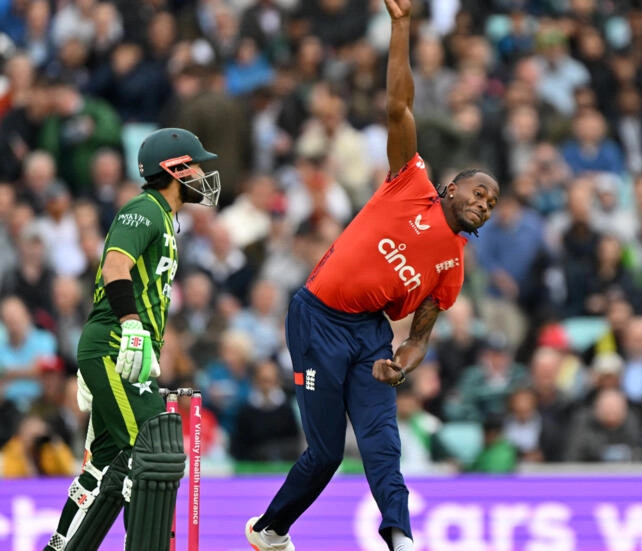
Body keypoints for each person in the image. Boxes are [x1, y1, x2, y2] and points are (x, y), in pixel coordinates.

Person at [244, 1, 500, 550]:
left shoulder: (452, 267)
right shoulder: (410, 181)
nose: (485, 203)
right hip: (316, 319)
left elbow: (422, 335)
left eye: (493, 203)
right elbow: (397, 104)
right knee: (327, 454)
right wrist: (402, 25)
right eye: (480, 191)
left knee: (384, 445)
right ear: (453, 188)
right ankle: (269, 532)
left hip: (368, 338)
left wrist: (403, 363)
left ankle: (400, 538)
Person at [43, 128, 221, 551]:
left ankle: (62, 546)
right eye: (195, 165)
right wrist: (131, 326)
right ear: (174, 169)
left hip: (124, 350)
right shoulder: (142, 208)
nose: (202, 174)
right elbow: (115, 266)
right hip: (114, 345)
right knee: (153, 451)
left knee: (104, 462)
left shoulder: (165, 219)